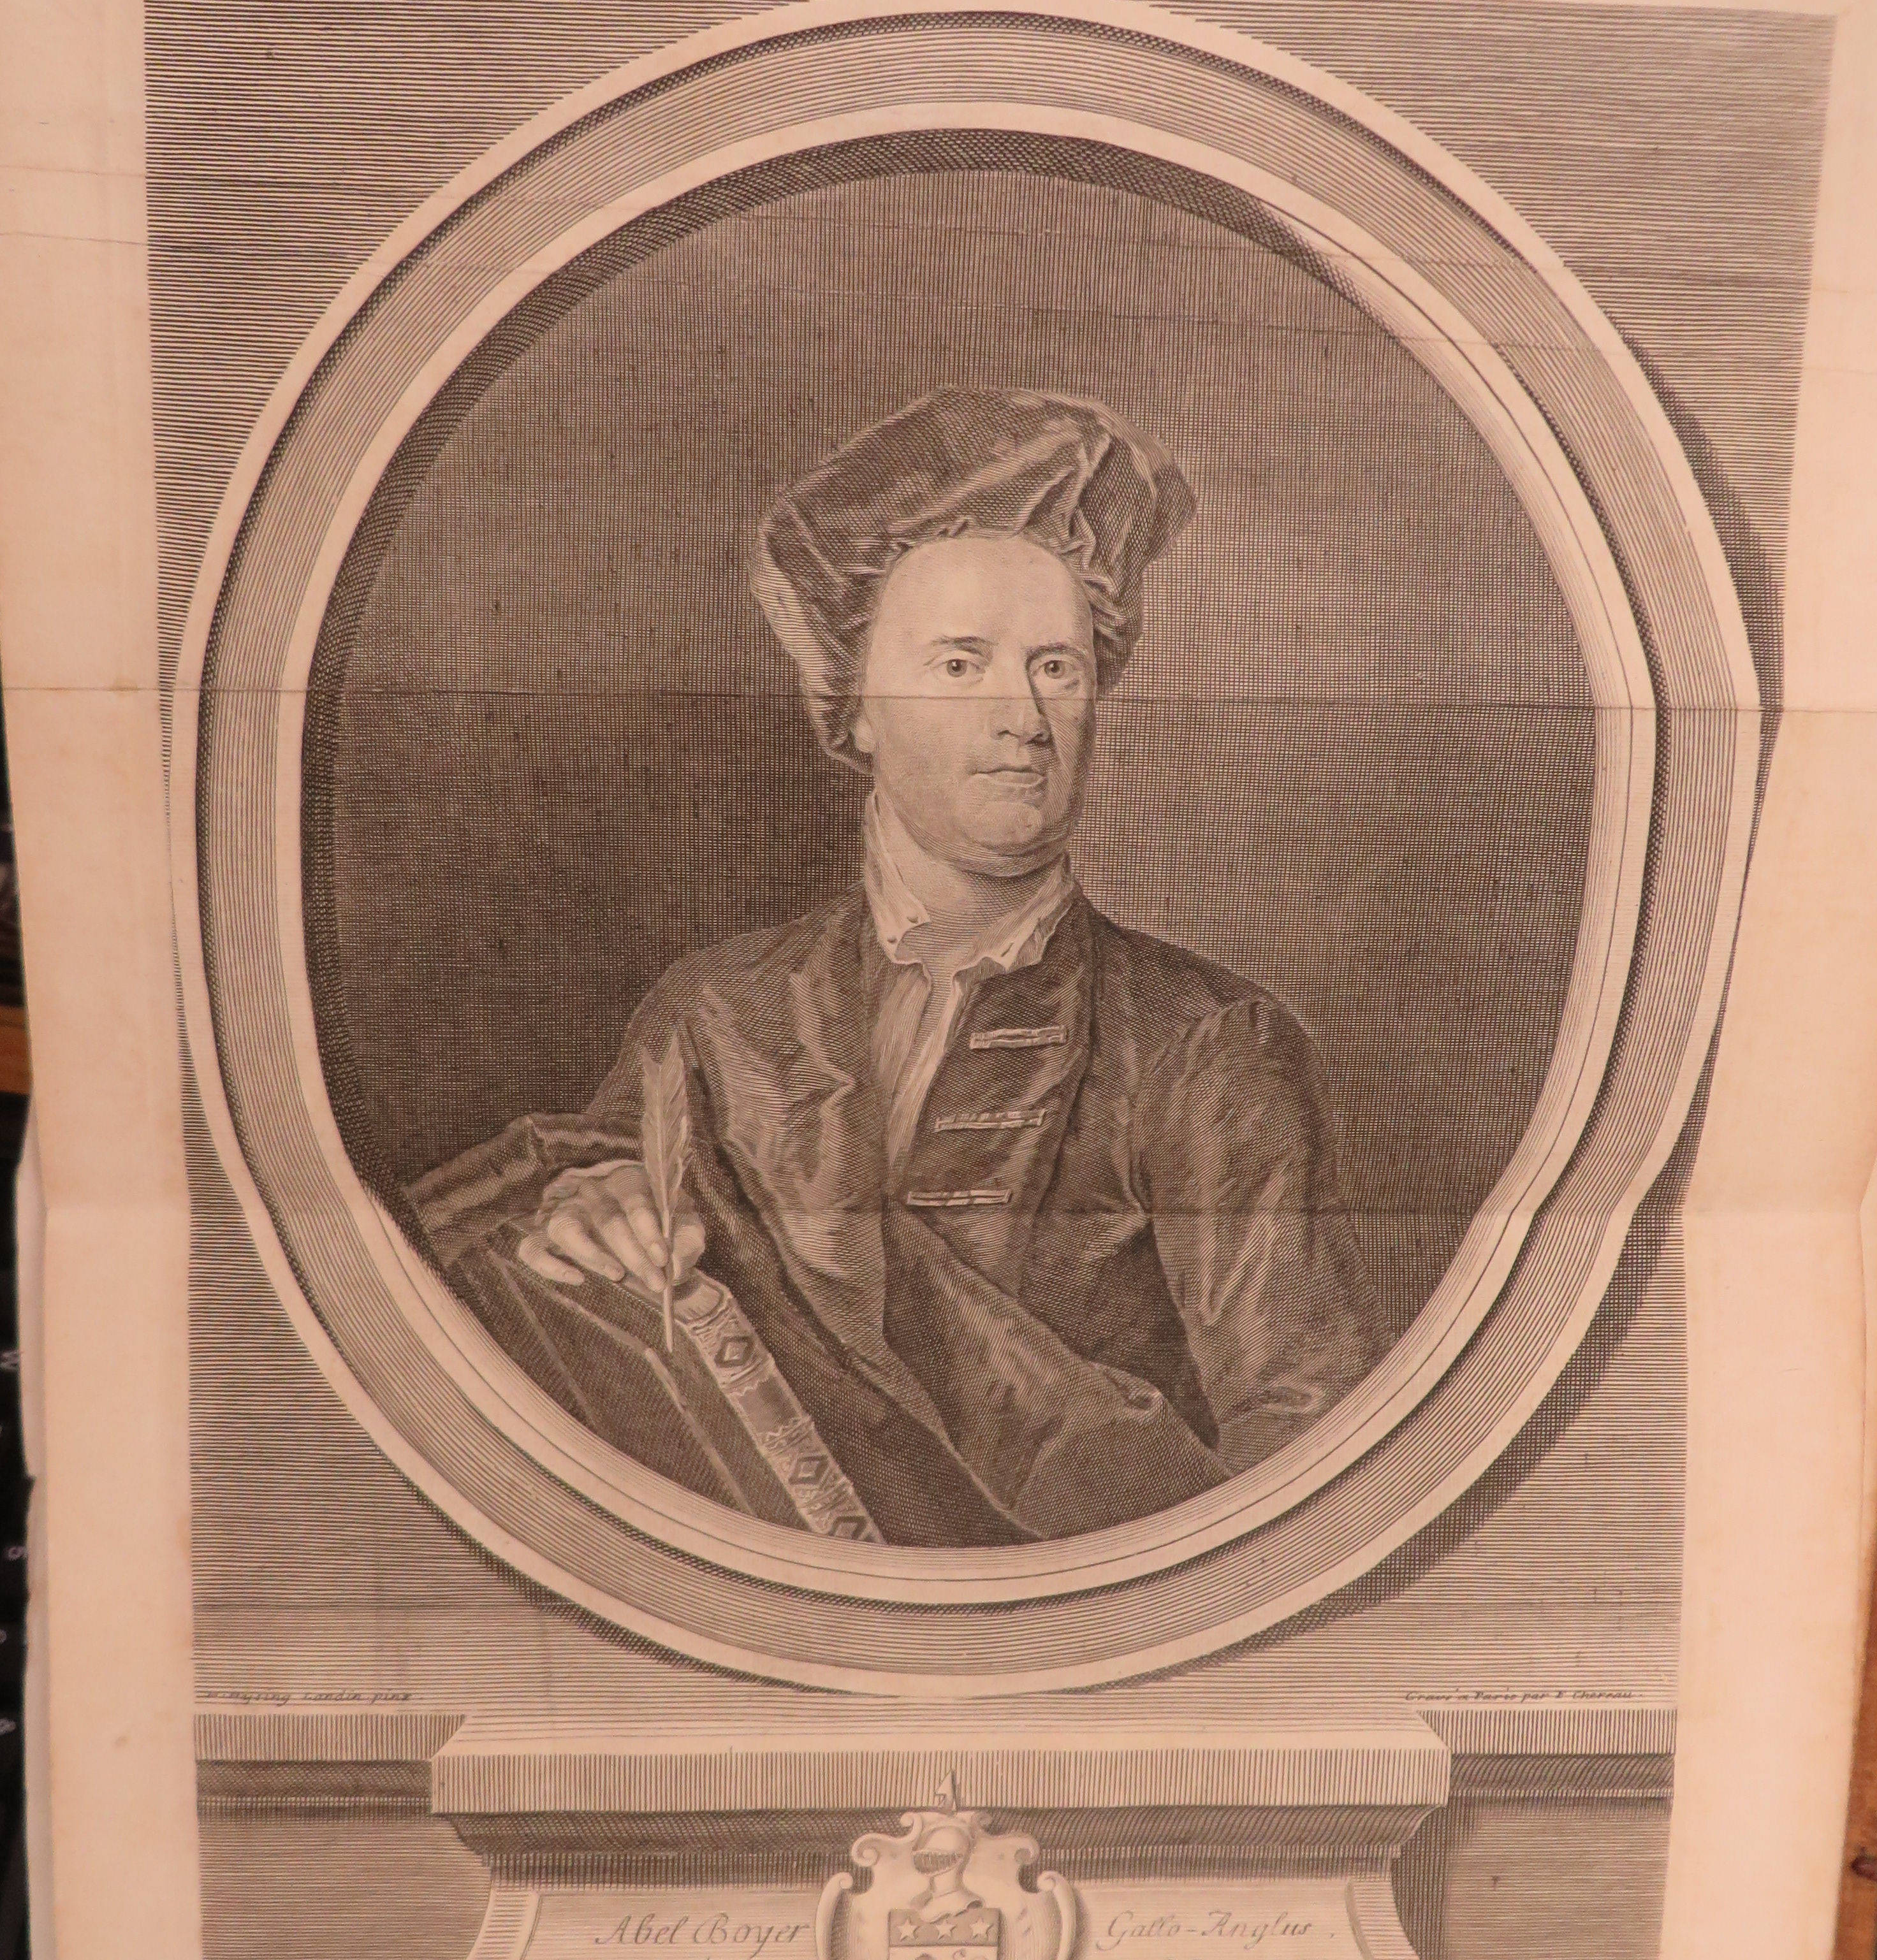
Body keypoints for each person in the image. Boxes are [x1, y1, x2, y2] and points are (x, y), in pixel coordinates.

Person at [413, 389, 1381, 1546]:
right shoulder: (717, 1012)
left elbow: (1302, 1435)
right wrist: (602, 1200)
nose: (1025, 717)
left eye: (1059, 668)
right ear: (853, 704)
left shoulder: (1209, 1043)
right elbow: (597, 1207)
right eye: (962, 665)